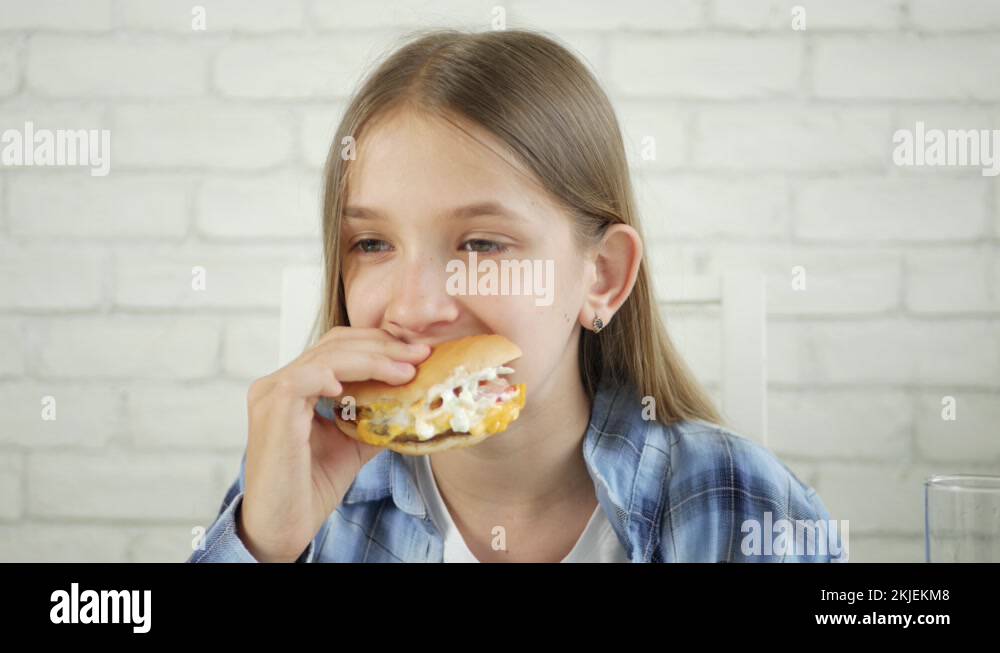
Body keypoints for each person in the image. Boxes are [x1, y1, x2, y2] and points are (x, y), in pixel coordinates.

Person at [189, 29, 843, 564]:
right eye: (372, 244)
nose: (413, 306)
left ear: (603, 277)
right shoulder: (302, 495)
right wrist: (266, 546)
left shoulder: (742, 508)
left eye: (481, 245)